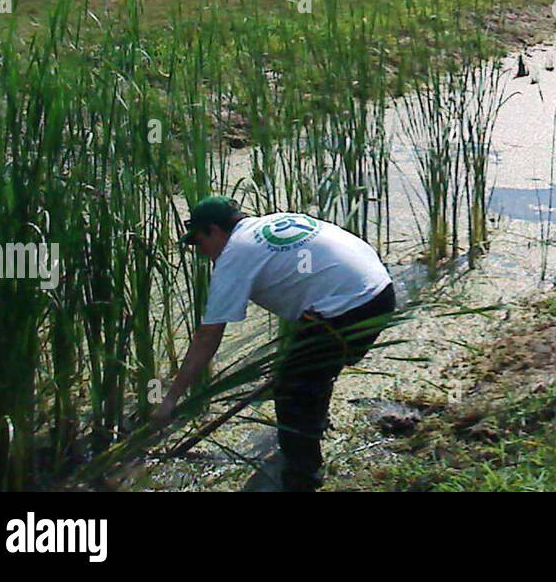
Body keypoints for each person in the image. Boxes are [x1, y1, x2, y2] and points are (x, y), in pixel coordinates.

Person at [152, 196, 396, 492]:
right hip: (378, 289)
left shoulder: (234, 255)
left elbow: (208, 336)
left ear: (213, 231)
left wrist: (170, 400)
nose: (203, 253)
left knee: (293, 392)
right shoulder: (267, 224)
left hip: (349, 306)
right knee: (307, 373)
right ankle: (313, 428)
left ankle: (302, 478)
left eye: (200, 243)